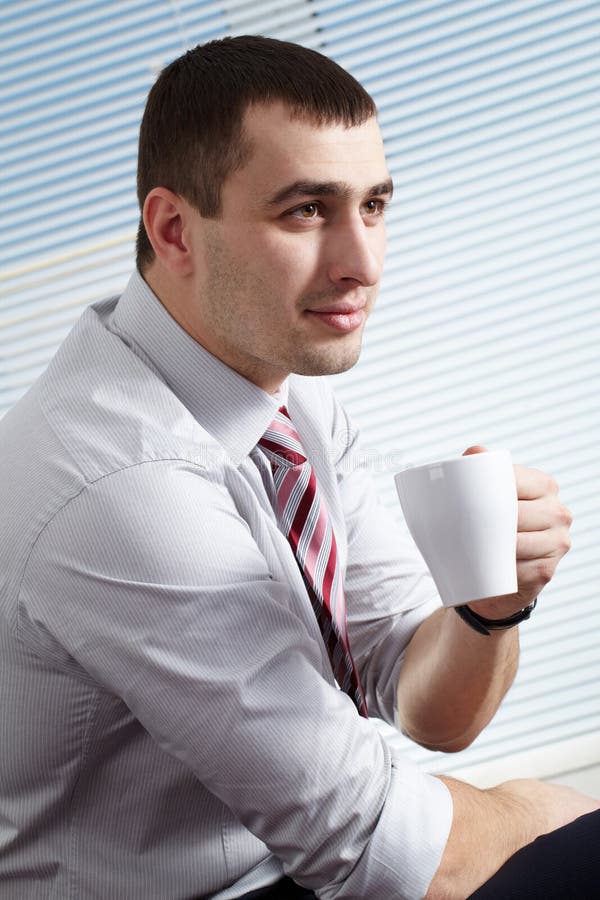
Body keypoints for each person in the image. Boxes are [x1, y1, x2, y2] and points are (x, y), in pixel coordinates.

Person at [0, 34, 597, 900]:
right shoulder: (119, 485)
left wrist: (488, 611)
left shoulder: (283, 393)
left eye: (376, 205)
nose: (362, 263)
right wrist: (538, 811)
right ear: (174, 230)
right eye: (306, 211)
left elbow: (421, 700)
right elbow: (372, 848)